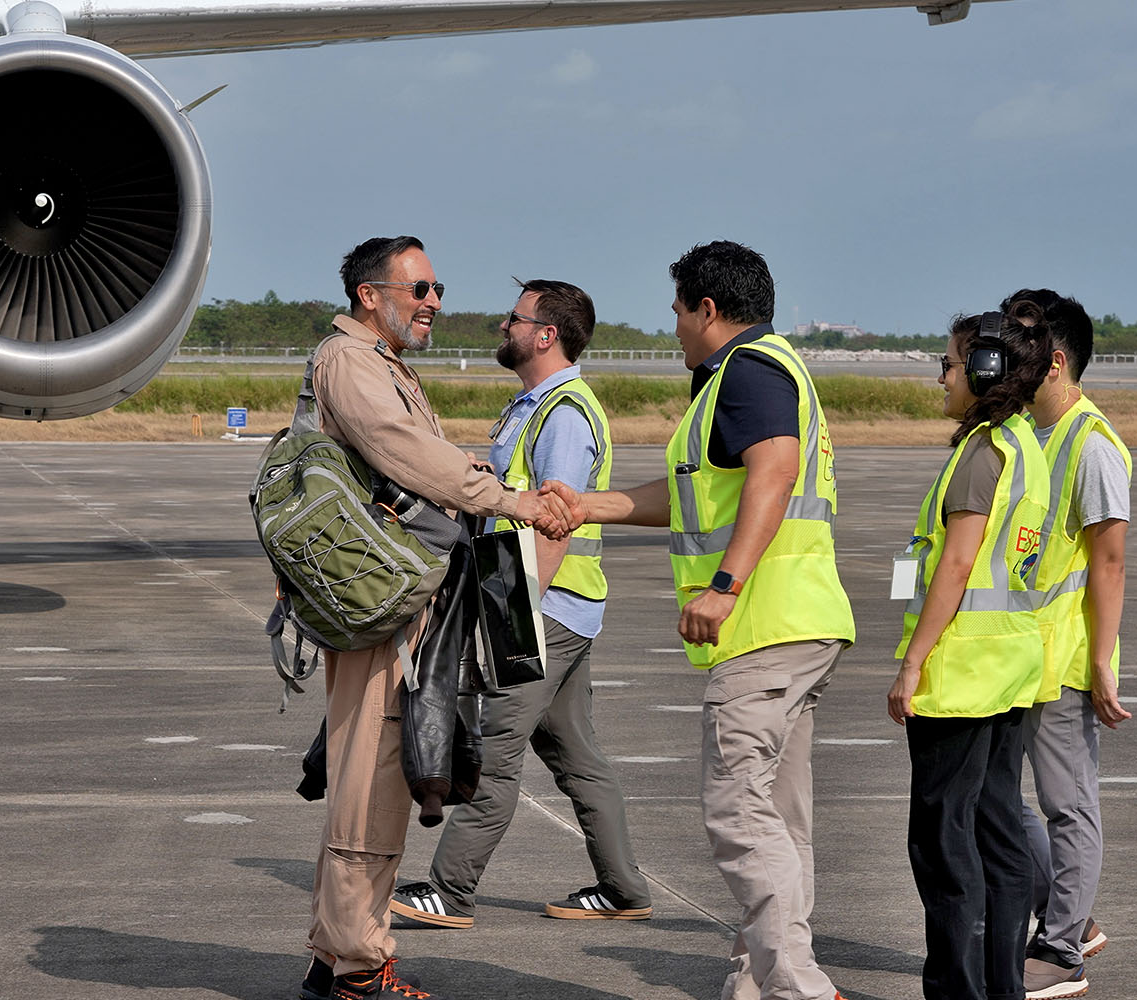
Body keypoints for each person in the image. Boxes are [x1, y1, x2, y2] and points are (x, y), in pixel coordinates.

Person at [545, 241, 855, 1000]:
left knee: (738, 813)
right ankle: (759, 979)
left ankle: (798, 987)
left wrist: (723, 586)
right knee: (776, 817)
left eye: (679, 310)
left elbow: (774, 472)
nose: (675, 325)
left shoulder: (748, 372)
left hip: (763, 626)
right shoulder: (753, 374)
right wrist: (590, 506)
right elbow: (692, 497)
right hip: (797, 622)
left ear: (708, 309)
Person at [298, 236, 566, 1000]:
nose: (434, 302)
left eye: (436, 288)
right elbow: (406, 454)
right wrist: (512, 499)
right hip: (380, 607)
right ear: (369, 295)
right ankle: (359, 971)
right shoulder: (351, 362)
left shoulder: (378, 362)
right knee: (374, 786)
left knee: (378, 776)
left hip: (397, 600)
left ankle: (333, 960)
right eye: (419, 289)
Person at [390, 279, 652, 928]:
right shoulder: (533, 406)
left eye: (515, 318)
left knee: (494, 751)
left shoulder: (563, 414)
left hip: (540, 608)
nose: (503, 326)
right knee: (575, 755)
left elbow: (555, 524)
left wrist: (511, 619)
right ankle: (623, 889)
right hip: (552, 604)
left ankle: (451, 890)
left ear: (546, 335)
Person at [886, 309, 1053, 1000]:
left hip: (961, 673)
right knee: (998, 831)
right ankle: (1001, 987)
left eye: (949, 365)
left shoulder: (982, 454)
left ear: (985, 372)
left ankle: (958, 990)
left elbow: (956, 567)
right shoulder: (1024, 446)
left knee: (943, 841)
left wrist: (912, 663)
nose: (942, 378)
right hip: (1009, 667)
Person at [1004, 290, 1132, 1000]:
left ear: (1054, 362)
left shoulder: (1092, 445)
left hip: (1065, 661)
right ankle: (1071, 915)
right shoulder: (1027, 430)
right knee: (994, 797)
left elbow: (1109, 563)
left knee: (1067, 805)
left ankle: (1060, 950)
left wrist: (1103, 664)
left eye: (1019, 346)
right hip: (1013, 656)